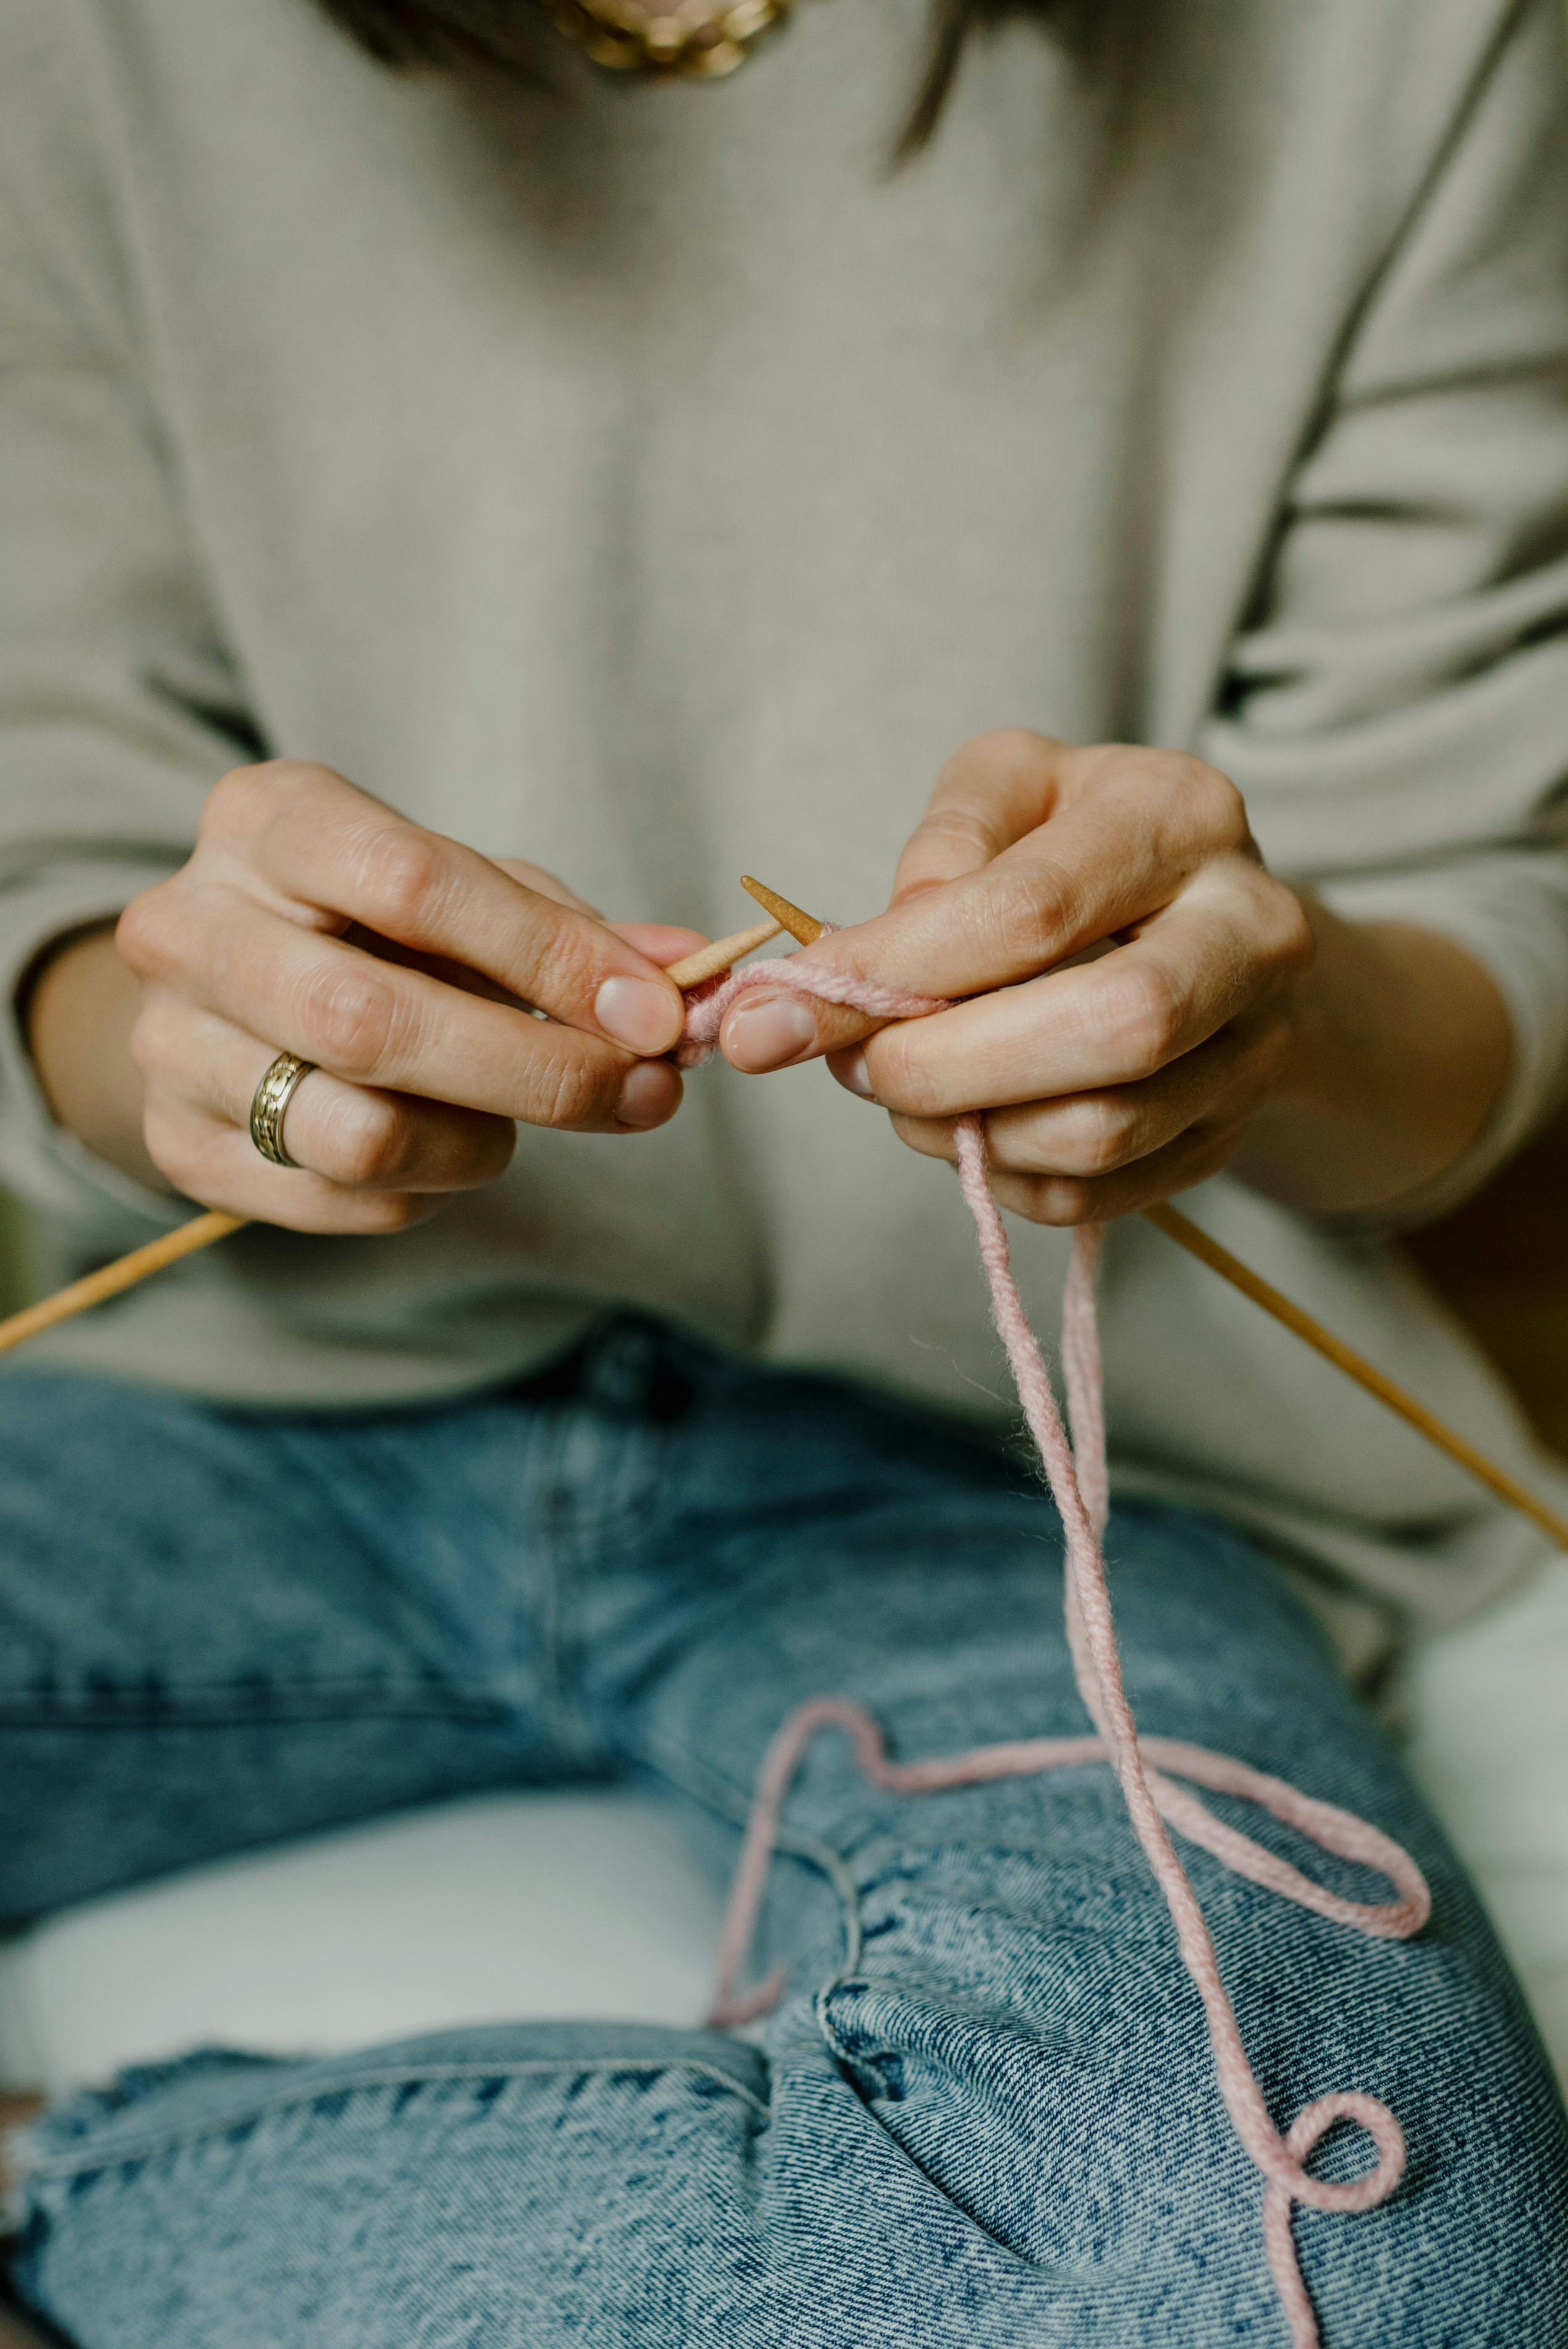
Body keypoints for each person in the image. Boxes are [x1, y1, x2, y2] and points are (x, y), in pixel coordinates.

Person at [1, 0, 1567, 2339]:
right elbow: (57, 852)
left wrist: (1245, 1015)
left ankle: (80, 2192)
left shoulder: (1400, 45)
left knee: (1326, 2251)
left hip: (1002, 1481)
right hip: (242, 1430)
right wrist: (207, 1042)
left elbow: (1474, 954)